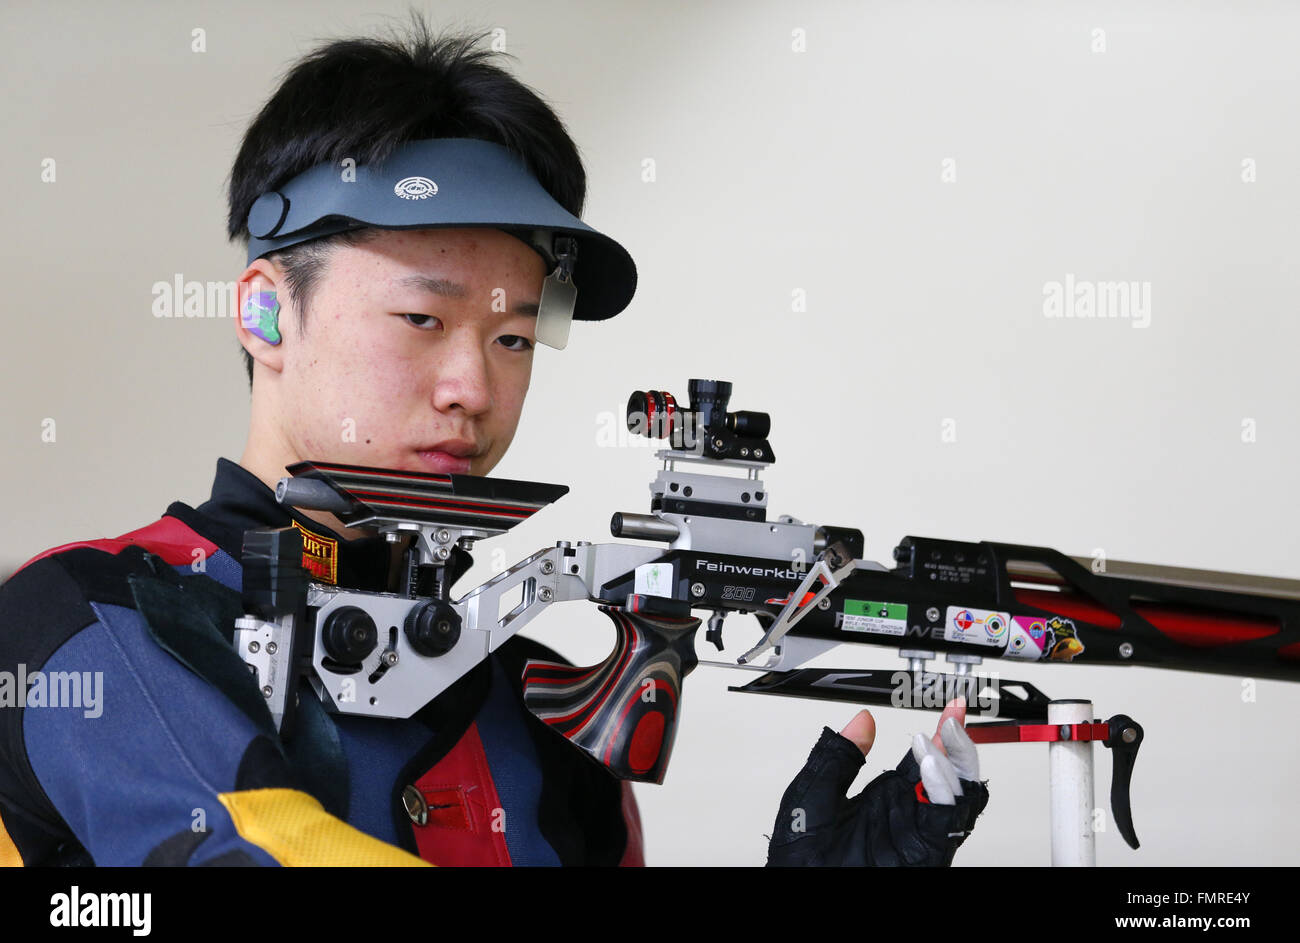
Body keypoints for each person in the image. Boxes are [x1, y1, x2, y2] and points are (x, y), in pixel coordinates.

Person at [0, 16, 988, 867]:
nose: (475, 386)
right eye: (422, 320)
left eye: (514, 335)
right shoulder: (89, 617)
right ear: (265, 315)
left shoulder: (542, 712)